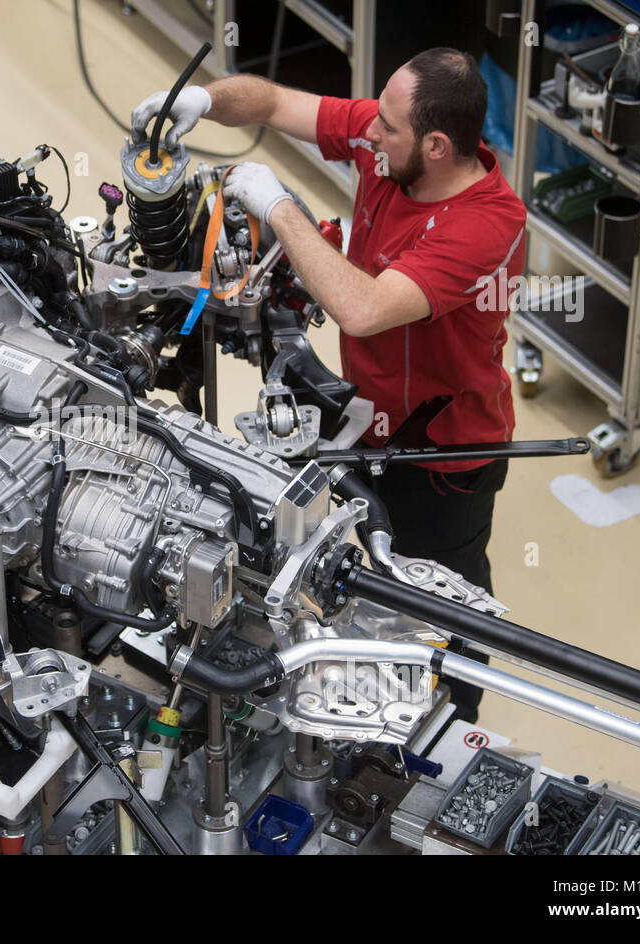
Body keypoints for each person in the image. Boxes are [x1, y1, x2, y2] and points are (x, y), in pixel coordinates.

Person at [131, 48, 527, 723]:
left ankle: (452, 724)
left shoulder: (487, 224)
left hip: (442, 456)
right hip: (370, 417)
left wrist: (280, 208)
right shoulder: (391, 141)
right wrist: (202, 101)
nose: (370, 132)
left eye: (389, 127)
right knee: (355, 574)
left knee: (441, 603)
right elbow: (278, 103)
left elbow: (364, 308)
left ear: (435, 145)